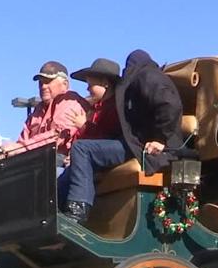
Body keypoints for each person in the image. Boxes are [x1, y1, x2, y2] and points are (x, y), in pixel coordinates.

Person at [60, 50, 184, 222]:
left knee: (81, 149)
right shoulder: (125, 93)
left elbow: (169, 105)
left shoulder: (148, 77)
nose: (87, 89)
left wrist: (160, 138)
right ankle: (56, 211)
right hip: (133, 144)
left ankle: (78, 210)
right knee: (76, 160)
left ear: (105, 83)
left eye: (90, 84)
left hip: (145, 147)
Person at [0, 61, 89, 168]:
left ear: (65, 84)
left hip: (61, 162)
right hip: (38, 160)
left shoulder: (71, 102)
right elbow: (23, 139)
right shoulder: (38, 109)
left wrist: (18, 148)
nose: (43, 86)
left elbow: (56, 137)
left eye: (48, 81)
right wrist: (4, 152)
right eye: (41, 82)